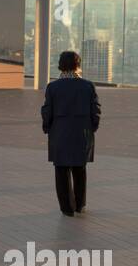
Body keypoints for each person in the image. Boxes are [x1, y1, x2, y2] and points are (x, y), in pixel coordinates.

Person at [41, 50, 101, 217]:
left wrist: (47, 128)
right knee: (79, 169)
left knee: (61, 170)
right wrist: (92, 128)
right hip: (82, 133)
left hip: (60, 132)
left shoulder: (53, 87)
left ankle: (66, 208)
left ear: (60, 65)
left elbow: (47, 111)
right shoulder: (87, 86)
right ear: (77, 65)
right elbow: (95, 111)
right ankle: (80, 204)